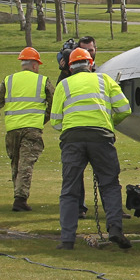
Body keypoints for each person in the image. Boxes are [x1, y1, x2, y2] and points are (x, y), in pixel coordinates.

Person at [50, 47, 132, 250]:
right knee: (109, 184)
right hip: (101, 137)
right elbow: (124, 109)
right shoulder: (105, 80)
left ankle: (67, 240)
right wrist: (109, 124)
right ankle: (115, 229)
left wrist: (72, 127)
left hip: (72, 139)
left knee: (70, 189)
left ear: (70, 68)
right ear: (91, 65)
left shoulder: (64, 85)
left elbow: (56, 121)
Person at [0, 47, 54, 211]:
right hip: (32, 129)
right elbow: (54, 103)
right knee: (26, 164)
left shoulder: (9, 80)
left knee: (16, 164)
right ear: (35, 65)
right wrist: (42, 119)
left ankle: (18, 196)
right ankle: (20, 199)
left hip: (12, 129)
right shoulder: (43, 81)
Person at [57, 36, 97, 219]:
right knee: (76, 174)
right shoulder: (66, 77)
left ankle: (112, 209)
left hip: (97, 130)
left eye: (90, 50)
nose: (87, 53)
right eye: (84, 50)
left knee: (106, 175)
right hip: (77, 131)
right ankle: (79, 208)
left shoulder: (102, 73)